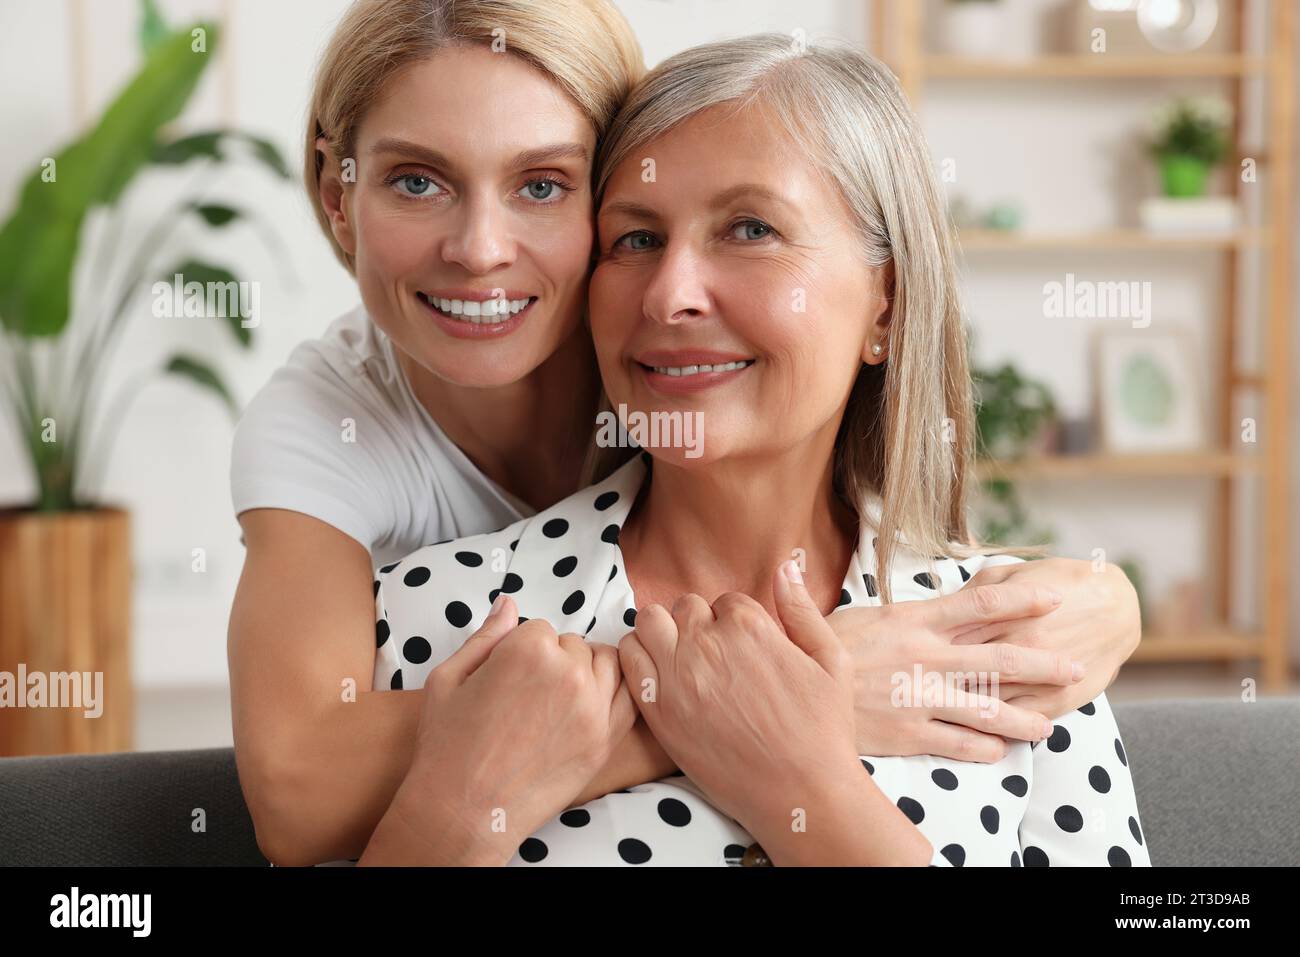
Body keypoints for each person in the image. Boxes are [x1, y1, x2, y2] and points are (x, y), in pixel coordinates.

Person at [227, 0, 1141, 868]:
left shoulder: (1007, 645)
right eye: (636, 239)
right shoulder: (430, 626)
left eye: (751, 228)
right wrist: (714, 703)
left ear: (887, 303)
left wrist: (805, 778)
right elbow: (295, 787)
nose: (481, 250)